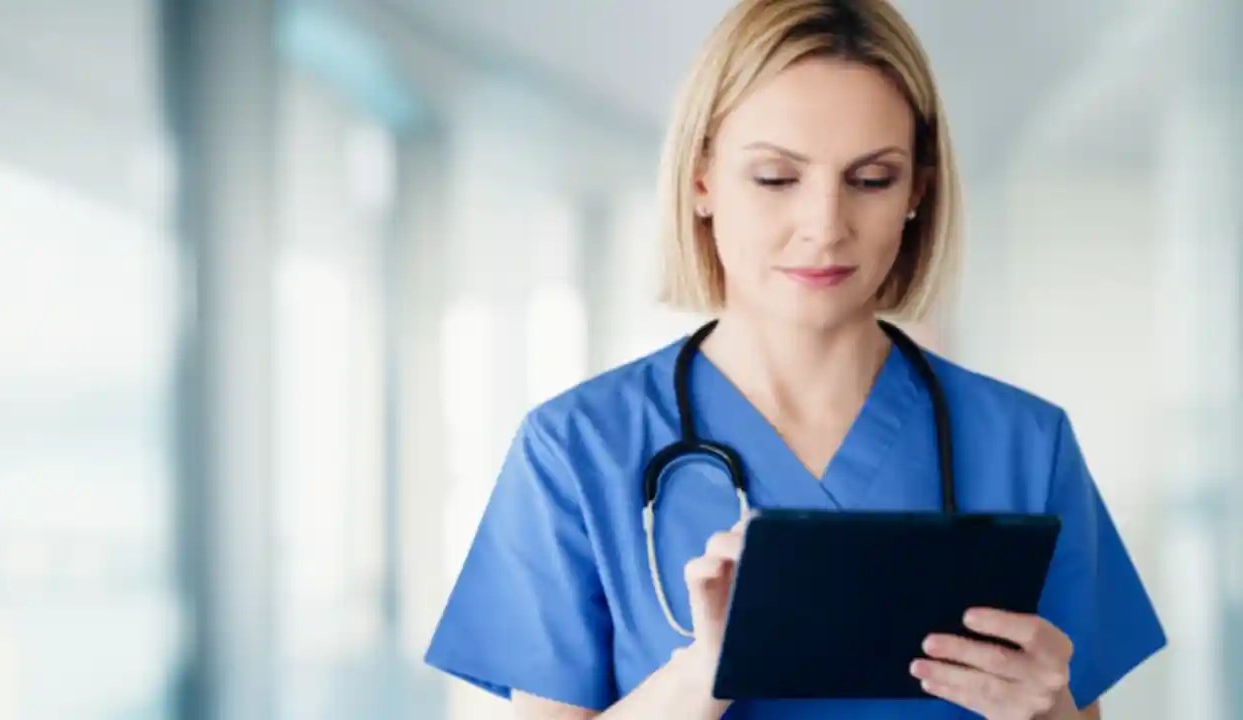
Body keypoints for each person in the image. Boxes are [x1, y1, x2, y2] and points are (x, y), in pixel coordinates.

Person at [424, 0, 1166, 717]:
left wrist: (1047, 718)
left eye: (871, 179)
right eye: (776, 177)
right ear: (702, 179)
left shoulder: (1026, 447)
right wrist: (700, 678)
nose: (824, 225)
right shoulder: (578, 449)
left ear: (918, 191)